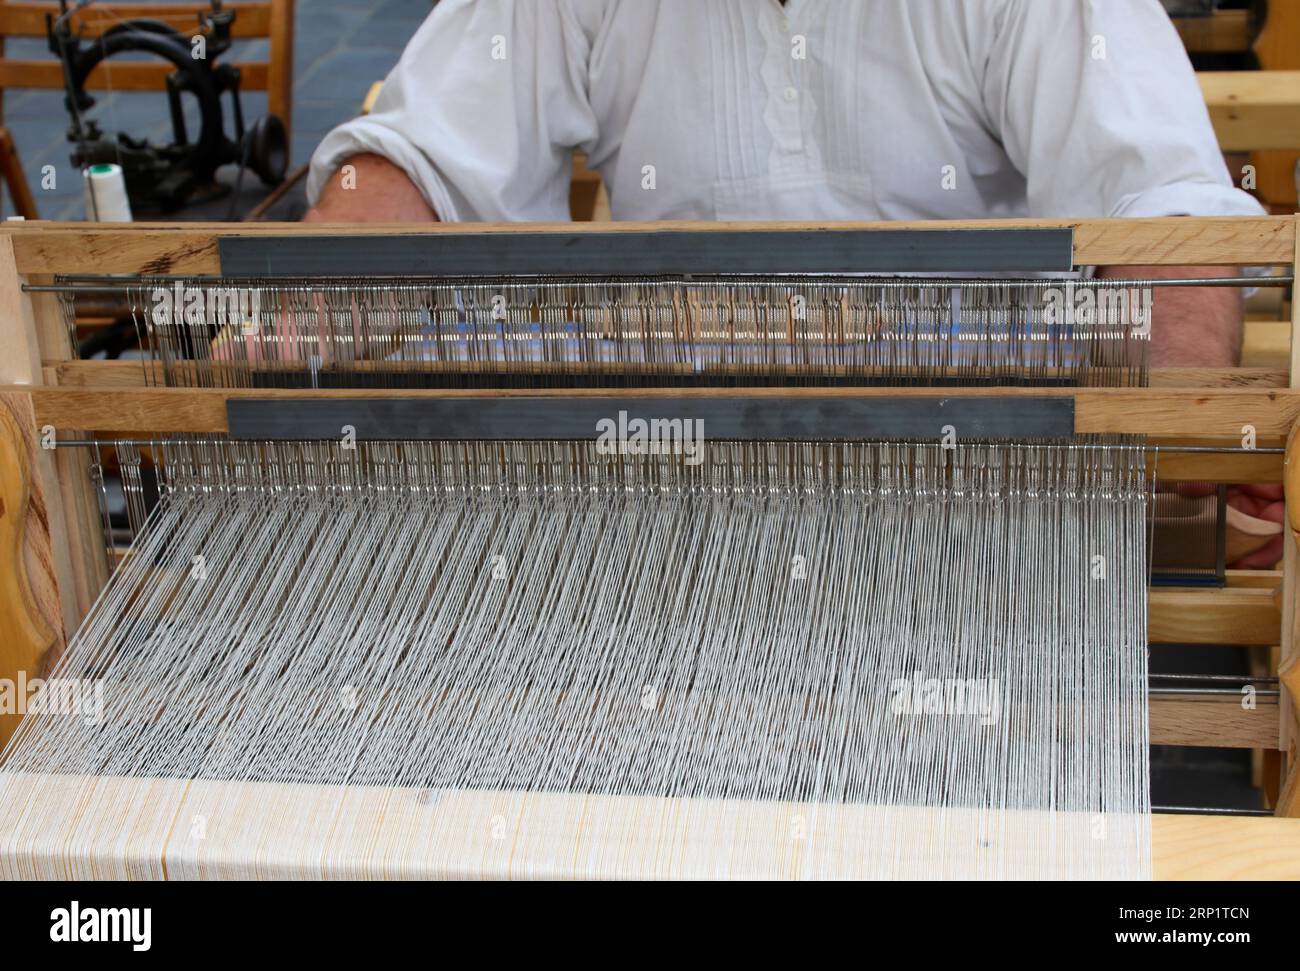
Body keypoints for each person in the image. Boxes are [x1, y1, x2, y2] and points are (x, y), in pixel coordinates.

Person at [302, 0, 1282, 565]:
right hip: (668, 481)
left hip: (968, 493)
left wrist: (1178, 432)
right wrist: (319, 287)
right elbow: (420, 152)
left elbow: (1156, 208)